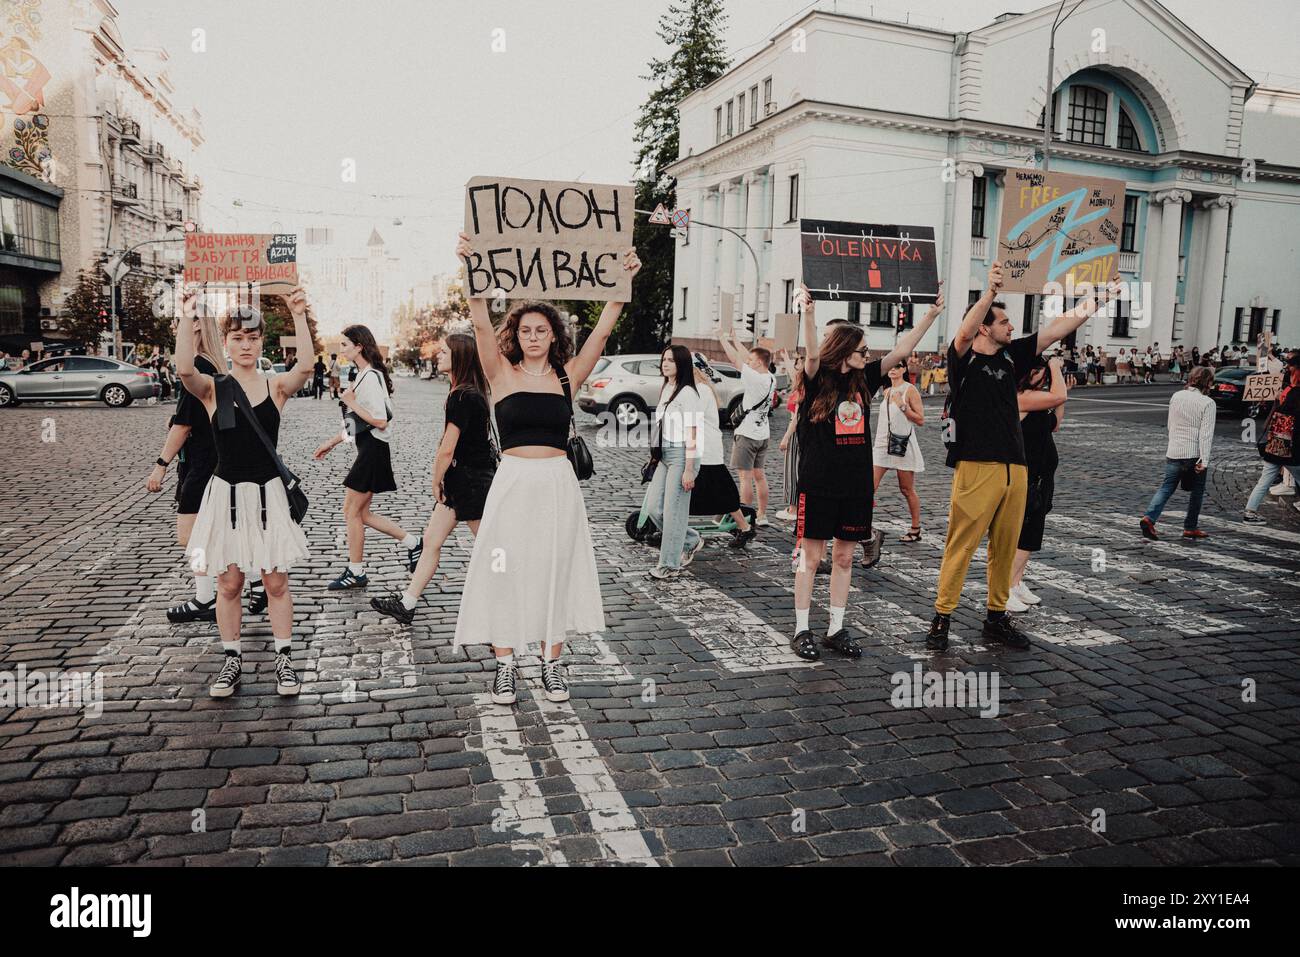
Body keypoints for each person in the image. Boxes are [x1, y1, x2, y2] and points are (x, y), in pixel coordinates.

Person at [452, 231, 641, 707]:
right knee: (505, 571)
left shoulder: (566, 376)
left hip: (558, 487)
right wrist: (472, 272)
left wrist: (620, 289)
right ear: (514, 337)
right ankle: (505, 665)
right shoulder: (500, 374)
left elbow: (600, 335)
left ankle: (552, 664)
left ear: (553, 335)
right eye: (524, 331)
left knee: (555, 568)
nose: (532, 337)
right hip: (513, 484)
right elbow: (478, 328)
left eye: (541, 330)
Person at [926, 262, 1119, 652]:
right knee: (961, 545)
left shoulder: (1012, 356)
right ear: (986, 327)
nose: (1012, 328)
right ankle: (941, 619)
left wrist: (1098, 300)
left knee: (1005, 544)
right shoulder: (963, 360)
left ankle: (996, 617)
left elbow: (1056, 328)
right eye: (1004, 323)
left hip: (1017, 466)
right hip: (977, 465)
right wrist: (990, 293)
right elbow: (963, 331)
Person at [790, 283, 945, 661]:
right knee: (811, 560)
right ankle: (801, 629)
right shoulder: (816, 378)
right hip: (818, 483)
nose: (868, 354)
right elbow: (811, 352)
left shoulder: (866, 378)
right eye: (862, 349)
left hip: (856, 486)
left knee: (844, 559)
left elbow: (903, 350)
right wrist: (808, 314)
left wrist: (932, 314)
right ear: (845, 350)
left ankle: (836, 627)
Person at [176, 288, 314, 698]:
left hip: (268, 495)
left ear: (261, 342)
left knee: (275, 583)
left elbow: (305, 365)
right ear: (227, 342)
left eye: (253, 338)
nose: (246, 344)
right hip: (227, 496)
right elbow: (185, 368)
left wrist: (299, 313)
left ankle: (284, 660)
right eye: (237, 337)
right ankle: (232, 659)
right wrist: (187, 316)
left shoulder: (275, 387)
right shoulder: (213, 388)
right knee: (230, 583)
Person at [371, 333, 497, 624]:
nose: (438, 356)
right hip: (464, 480)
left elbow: (447, 448)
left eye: (443, 352)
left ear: (459, 357)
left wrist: (435, 480)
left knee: (491, 545)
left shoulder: (462, 396)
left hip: (471, 482)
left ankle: (511, 593)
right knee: (431, 541)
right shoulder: (471, 392)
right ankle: (408, 602)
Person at [313, 324, 420, 590]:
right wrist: (332, 442)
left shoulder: (370, 377)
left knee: (350, 511)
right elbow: (359, 424)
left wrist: (350, 402)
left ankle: (356, 571)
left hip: (373, 450)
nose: (342, 349)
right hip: (369, 448)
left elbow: (380, 421)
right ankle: (413, 543)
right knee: (362, 513)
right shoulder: (363, 375)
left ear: (359, 346)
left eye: (345, 345)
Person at [146, 308, 230, 623]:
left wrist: (160, 465)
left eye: (180, 320)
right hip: (214, 462)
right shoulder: (215, 366)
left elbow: (182, 425)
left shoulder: (196, 368)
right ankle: (214, 593)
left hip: (202, 465)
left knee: (191, 535)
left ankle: (208, 596)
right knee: (211, 532)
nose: (174, 326)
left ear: (196, 326)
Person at [1006, 355, 1068, 613]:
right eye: (1041, 373)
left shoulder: (1039, 400)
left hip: (1042, 479)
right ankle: (1005, 587)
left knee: (1032, 536)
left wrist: (1060, 390)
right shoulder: (1020, 397)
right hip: (1026, 479)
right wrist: (1056, 367)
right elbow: (1059, 397)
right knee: (1021, 535)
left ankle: (1017, 582)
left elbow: (1055, 423)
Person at [643, 344, 706, 579]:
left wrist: (689, 469)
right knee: (653, 508)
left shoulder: (688, 393)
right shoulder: (667, 387)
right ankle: (690, 539)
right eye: (664, 359)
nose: (665, 363)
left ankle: (669, 564)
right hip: (664, 455)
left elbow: (693, 432)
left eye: (670, 360)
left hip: (682, 455)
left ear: (682, 364)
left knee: (673, 513)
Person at [1139, 366, 1217, 541]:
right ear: (1207, 382)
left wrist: (1173, 443)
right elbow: (1206, 435)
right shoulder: (1207, 403)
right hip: (1193, 454)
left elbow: (1170, 424)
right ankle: (1190, 527)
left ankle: (1149, 518)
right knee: (1197, 491)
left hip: (1174, 450)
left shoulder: (1176, 396)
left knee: (1166, 487)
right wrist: (1204, 460)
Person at [691, 362, 756, 549]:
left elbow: (691, 416)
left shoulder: (701, 390)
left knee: (721, 488)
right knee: (714, 489)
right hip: (700, 447)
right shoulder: (697, 389)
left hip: (706, 448)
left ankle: (744, 526)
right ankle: (739, 524)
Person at [717, 329, 776, 526]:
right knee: (760, 475)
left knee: (745, 478)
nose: (748, 362)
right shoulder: (770, 378)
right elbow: (746, 357)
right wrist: (735, 338)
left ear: (759, 363)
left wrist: (723, 338)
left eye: (752, 361)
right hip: (763, 435)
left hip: (747, 434)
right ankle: (762, 514)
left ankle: (745, 518)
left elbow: (736, 359)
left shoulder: (755, 378)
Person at [1243, 350, 1300, 523]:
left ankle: (1250, 513)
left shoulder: (1286, 390)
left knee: (1264, 481)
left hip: (1275, 444)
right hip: (1291, 447)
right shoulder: (1295, 393)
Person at [872, 360, 926, 542]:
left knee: (906, 489)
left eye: (897, 367)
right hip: (881, 446)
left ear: (903, 369)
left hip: (901, 445)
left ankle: (915, 528)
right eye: (891, 367)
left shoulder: (910, 390)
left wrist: (902, 406)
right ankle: (861, 526)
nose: (893, 370)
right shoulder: (886, 391)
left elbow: (920, 420)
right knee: (868, 487)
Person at [774, 349, 803, 522]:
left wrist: (786, 437)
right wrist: (785, 358)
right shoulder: (803, 384)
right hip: (799, 431)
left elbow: (797, 417)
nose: (795, 364)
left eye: (798, 361)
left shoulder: (803, 389)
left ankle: (794, 509)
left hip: (796, 432)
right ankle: (796, 507)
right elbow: (794, 375)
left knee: (793, 470)